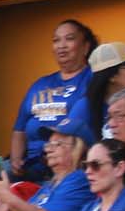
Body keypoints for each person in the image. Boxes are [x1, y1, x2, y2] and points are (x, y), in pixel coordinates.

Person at [9, 20, 97, 179]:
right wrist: (16, 159)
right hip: (28, 163)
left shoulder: (91, 79)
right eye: (56, 40)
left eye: (69, 39)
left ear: (85, 47)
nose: (61, 45)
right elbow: (19, 129)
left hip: (62, 162)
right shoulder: (40, 84)